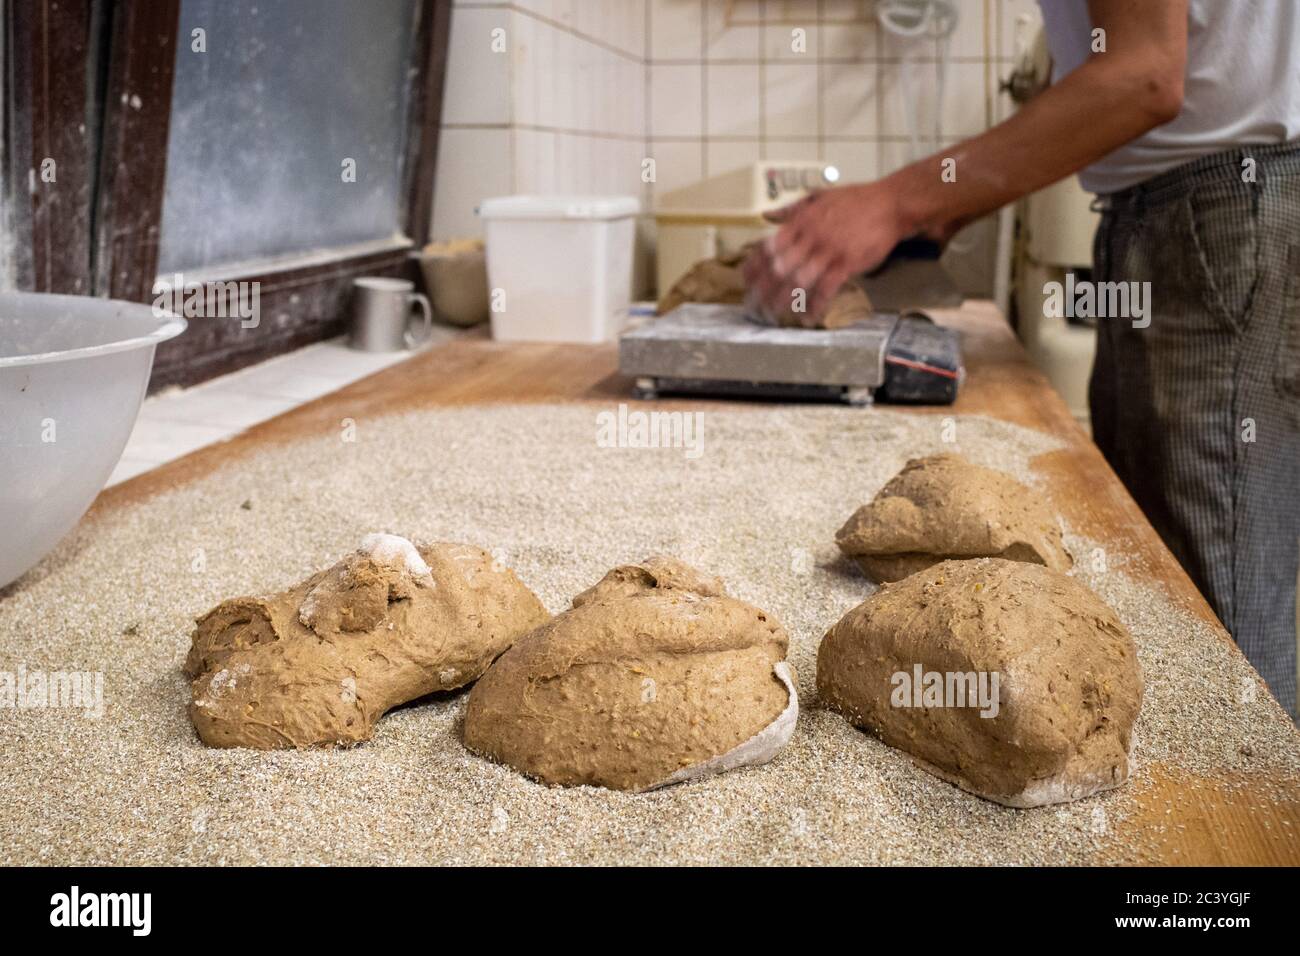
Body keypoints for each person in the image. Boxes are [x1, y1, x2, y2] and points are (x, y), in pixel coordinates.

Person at [746, 0, 1300, 717]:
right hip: (1178, 218)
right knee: (1174, 590)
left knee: (1220, 636)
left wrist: (894, 202)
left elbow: (1141, 77)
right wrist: (940, 207)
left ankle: (1252, 821)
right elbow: (1104, 70)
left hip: (1219, 215)